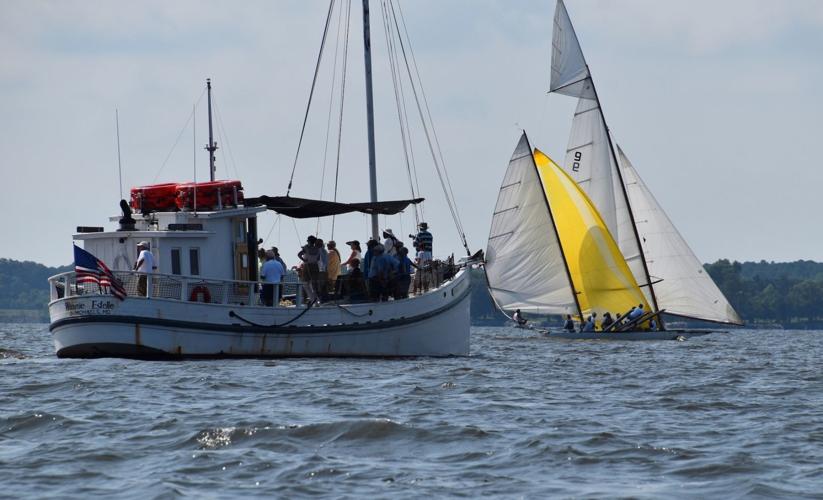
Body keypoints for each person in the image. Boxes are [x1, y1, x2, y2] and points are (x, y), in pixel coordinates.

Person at [297, 236, 321, 302]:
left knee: (305, 283)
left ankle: (312, 299)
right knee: (314, 284)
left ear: (309, 241)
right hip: (315, 266)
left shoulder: (306, 248)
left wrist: (304, 260)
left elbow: (299, 254)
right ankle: (317, 300)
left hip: (307, 266)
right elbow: (318, 258)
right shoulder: (318, 249)